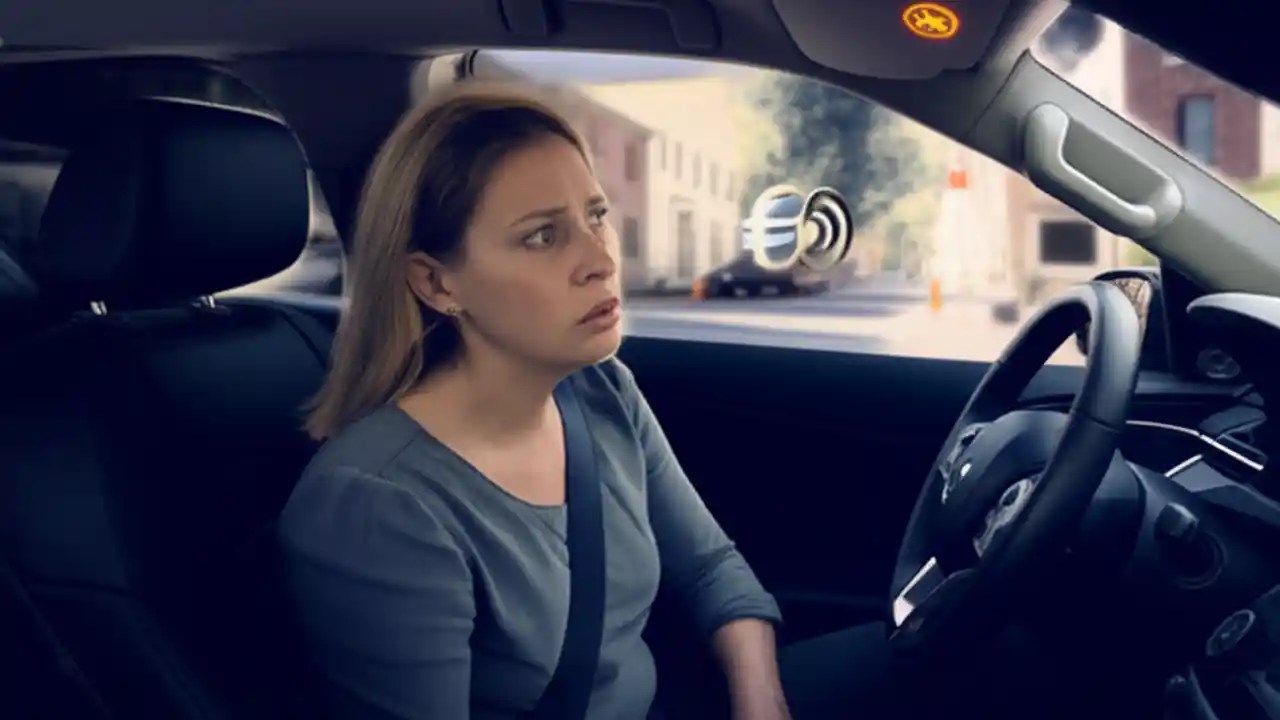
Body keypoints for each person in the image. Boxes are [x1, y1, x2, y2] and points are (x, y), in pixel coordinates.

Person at [275, 82, 895, 720]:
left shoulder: (601, 392)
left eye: (596, 216)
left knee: (929, 652)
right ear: (436, 282)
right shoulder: (377, 505)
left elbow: (713, 572)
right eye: (543, 237)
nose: (600, 259)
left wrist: (761, 705)